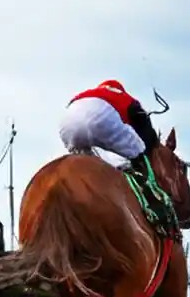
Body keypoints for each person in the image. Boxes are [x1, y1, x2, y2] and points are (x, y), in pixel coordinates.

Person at [58, 79, 176, 231]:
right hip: (99, 116)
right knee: (138, 150)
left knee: (90, 167)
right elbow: (147, 135)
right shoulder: (126, 98)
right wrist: (146, 153)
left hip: (67, 123)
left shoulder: (89, 93)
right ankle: (155, 204)